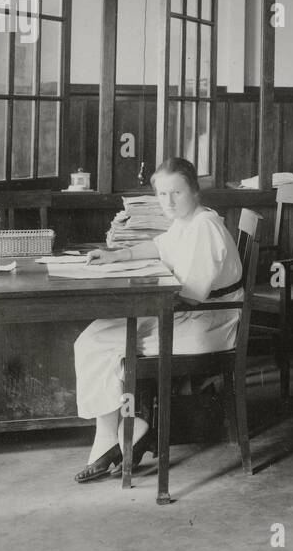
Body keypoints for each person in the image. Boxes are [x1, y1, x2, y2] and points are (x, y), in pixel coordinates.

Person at [72, 157, 243, 483]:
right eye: (162, 194)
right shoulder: (186, 221)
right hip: (189, 314)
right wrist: (116, 256)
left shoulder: (204, 227)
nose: (168, 202)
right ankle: (123, 428)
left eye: (176, 193)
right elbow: (159, 247)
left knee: (99, 341)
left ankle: (124, 431)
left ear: (194, 189)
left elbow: (189, 295)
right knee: (95, 334)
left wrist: (139, 296)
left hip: (208, 324)